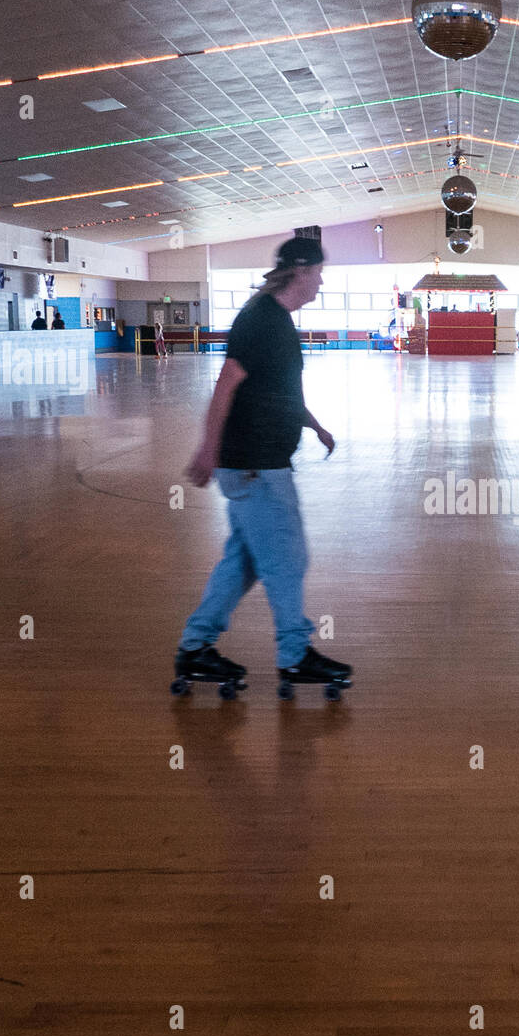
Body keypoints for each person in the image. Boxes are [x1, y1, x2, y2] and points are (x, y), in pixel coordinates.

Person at [173, 236, 351, 694]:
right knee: (288, 558)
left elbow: (281, 391)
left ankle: (195, 648)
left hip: (259, 464)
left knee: (245, 561)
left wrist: (314, 425)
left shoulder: (276, 321)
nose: (322, 281)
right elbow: (224, 388)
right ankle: (294, 656)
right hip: (255, 465)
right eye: (318, 272)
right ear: (300, 272)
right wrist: (208, 449)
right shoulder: (261, 321)